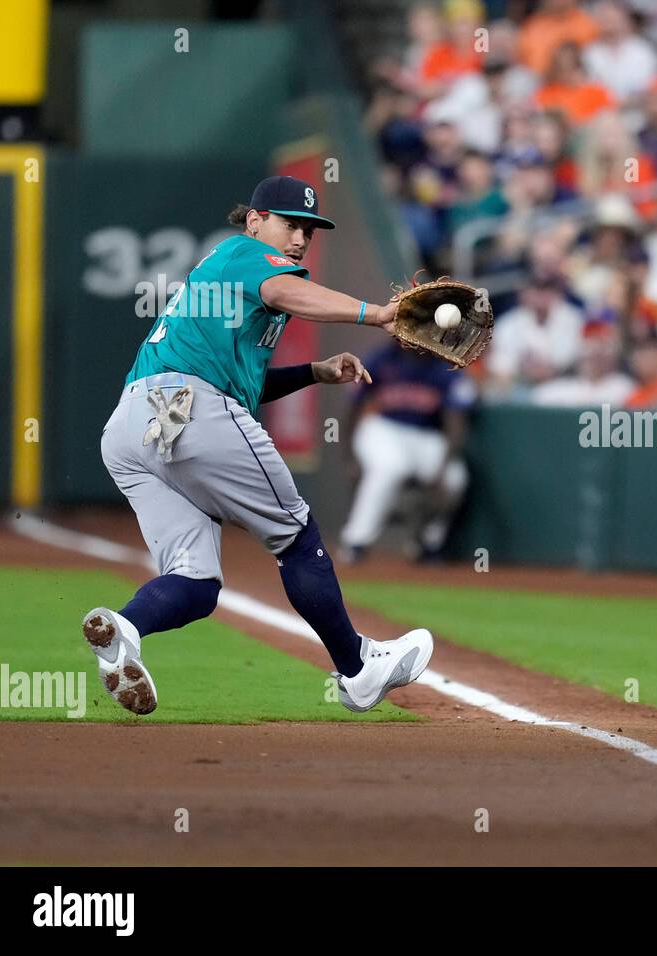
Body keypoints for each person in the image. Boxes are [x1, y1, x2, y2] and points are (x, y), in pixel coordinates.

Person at [90, 176, 434, 716]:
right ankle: (358, 668)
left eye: (308, 231)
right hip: (187, 406)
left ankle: (125, 631)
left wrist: (315, 372)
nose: (299, 238)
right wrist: (377, 313)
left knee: (196, 582)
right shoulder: (244, 254)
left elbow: (242, 386)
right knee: (295, 536)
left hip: (134, 426)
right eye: (289, 224)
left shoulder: (227, 288)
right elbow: (284, 293)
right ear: (255, 221)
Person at [339, 343, 475, 564]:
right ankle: (356, 541)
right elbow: (352, 409)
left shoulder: (446, 364)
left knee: (454, 479)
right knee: (390, 467)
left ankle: (428, 544)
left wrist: (441, 471)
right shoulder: (381, 358)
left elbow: (456, 423)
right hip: (384, 428)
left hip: (428, 436)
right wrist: (349, 458)